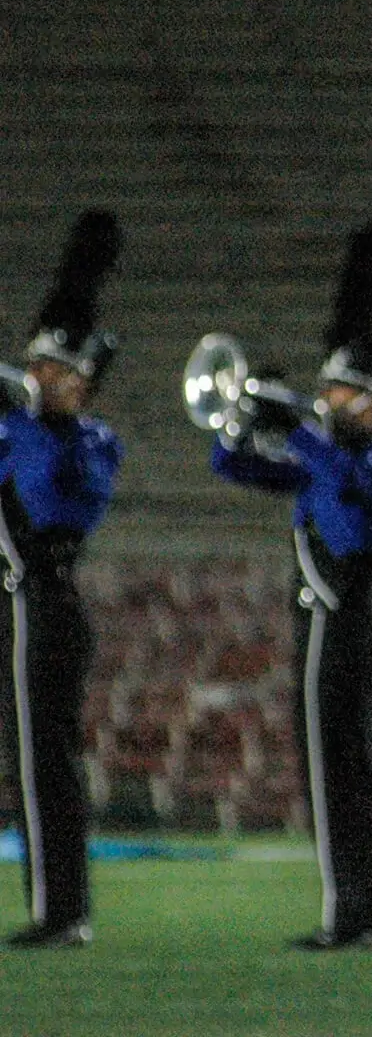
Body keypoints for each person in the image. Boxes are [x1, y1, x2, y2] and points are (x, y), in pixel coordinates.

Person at [210, 222, 372, 951]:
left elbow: (348, 496)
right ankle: (358, 914)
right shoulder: (325, 458)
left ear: (371, 400)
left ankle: (353, 916)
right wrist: (242, 424)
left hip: (348, 629)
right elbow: (232, 467)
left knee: (344, 777)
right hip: (319, 628)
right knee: (332, 775)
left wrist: (296, 424)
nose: (326, 402)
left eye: (340, 393)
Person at [0, 211, 124, 949]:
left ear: (86, 383)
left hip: (49, 607)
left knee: (47, 764)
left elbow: (46, 499)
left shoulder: (93, 445)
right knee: (30, 761)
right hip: (21, 610)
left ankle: (62, 911)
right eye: (37, 365)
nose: (42, 380)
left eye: (61, 372)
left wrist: (21, 420)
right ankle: (56, 905)